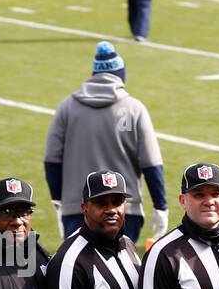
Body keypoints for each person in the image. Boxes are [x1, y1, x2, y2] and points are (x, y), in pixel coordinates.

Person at [44, 42, 167, 244]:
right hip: (124, 208)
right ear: (120, 74)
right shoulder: (134, 108)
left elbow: (52, 158)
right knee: (121, 271)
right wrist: (160, 206)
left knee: (79, 269)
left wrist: (59, 201)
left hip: (79, 207)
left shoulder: (67, 107)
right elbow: (151, 162)